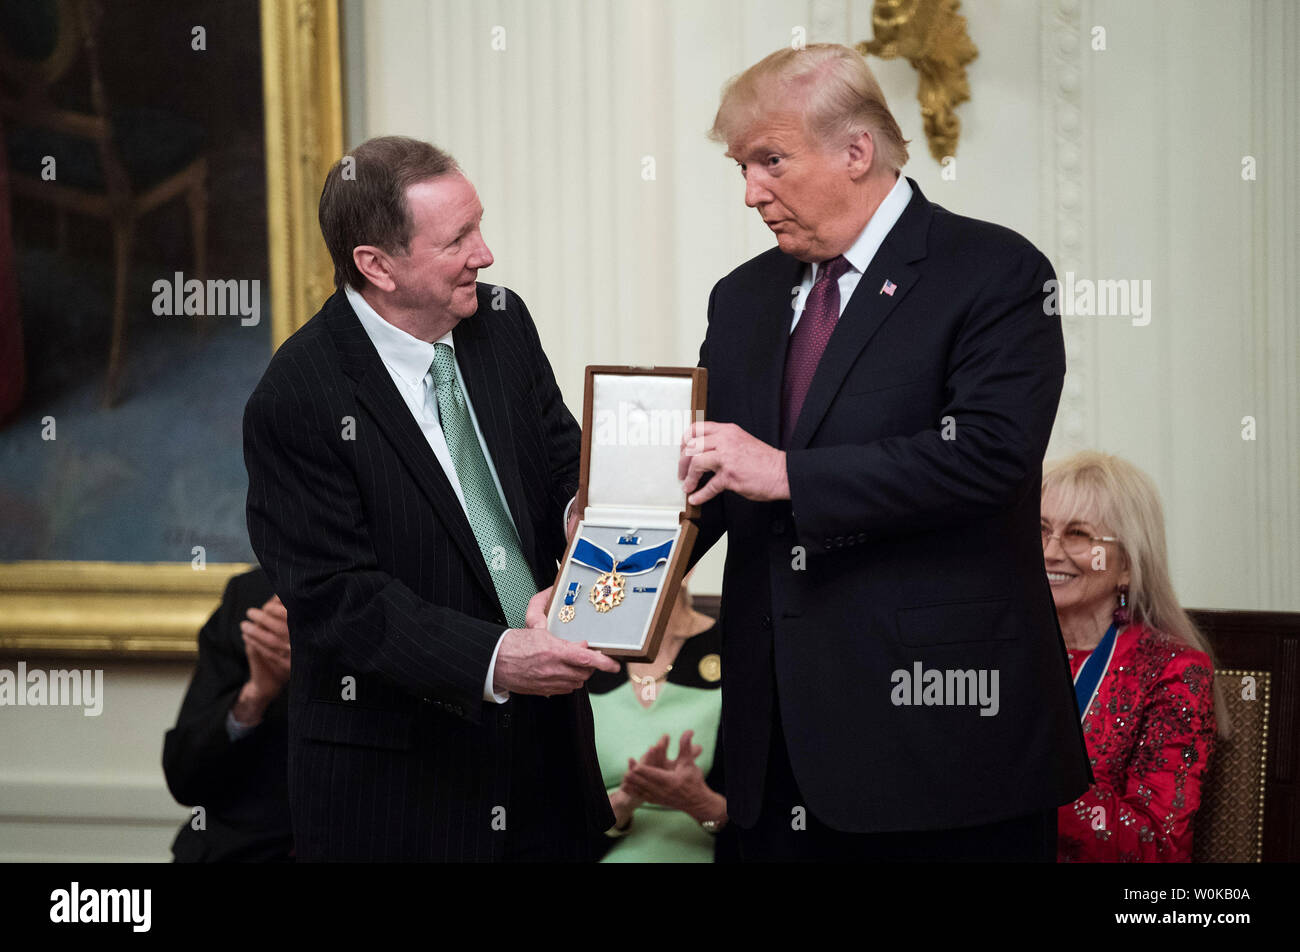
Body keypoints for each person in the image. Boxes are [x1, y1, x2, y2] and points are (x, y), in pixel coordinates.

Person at [676, 43, 1090, 861]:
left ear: (856, 151)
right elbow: (723, 475)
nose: (752, 193)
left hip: (939, 748)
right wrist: (617, 518)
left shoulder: (996, 271)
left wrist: (788, 472)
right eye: (743, 168)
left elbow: (989, 456)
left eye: (771, 161)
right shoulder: (743, 296)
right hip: (773, 751)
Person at [243, 135, 619, 862]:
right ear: (376, 266)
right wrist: (499, 657)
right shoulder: (298, 398)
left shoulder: (501, 321)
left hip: (546, 768)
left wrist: (582, 524)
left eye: (479, 224)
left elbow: (561, 458)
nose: (486, 253)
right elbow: (337, 598)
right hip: (401, 794)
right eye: (459, 238)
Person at [1042, 451, 1222, 862]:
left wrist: (1025, 779)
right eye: (1040, 529)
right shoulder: (1002, 654)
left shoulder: (1175, 673)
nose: (1050, 552)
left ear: (1126, 564)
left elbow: (1156, 847)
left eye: (1078, 534)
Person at [586, 575, 737, 862]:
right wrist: (621, 806)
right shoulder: (586, 653)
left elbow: (764, 821)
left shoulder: (735, 651)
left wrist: (702, 805)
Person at [162, 568, 294, 862]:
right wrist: (255, 695)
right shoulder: (250, 594)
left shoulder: (404, 602)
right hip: (236, 852)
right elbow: (184, 778)